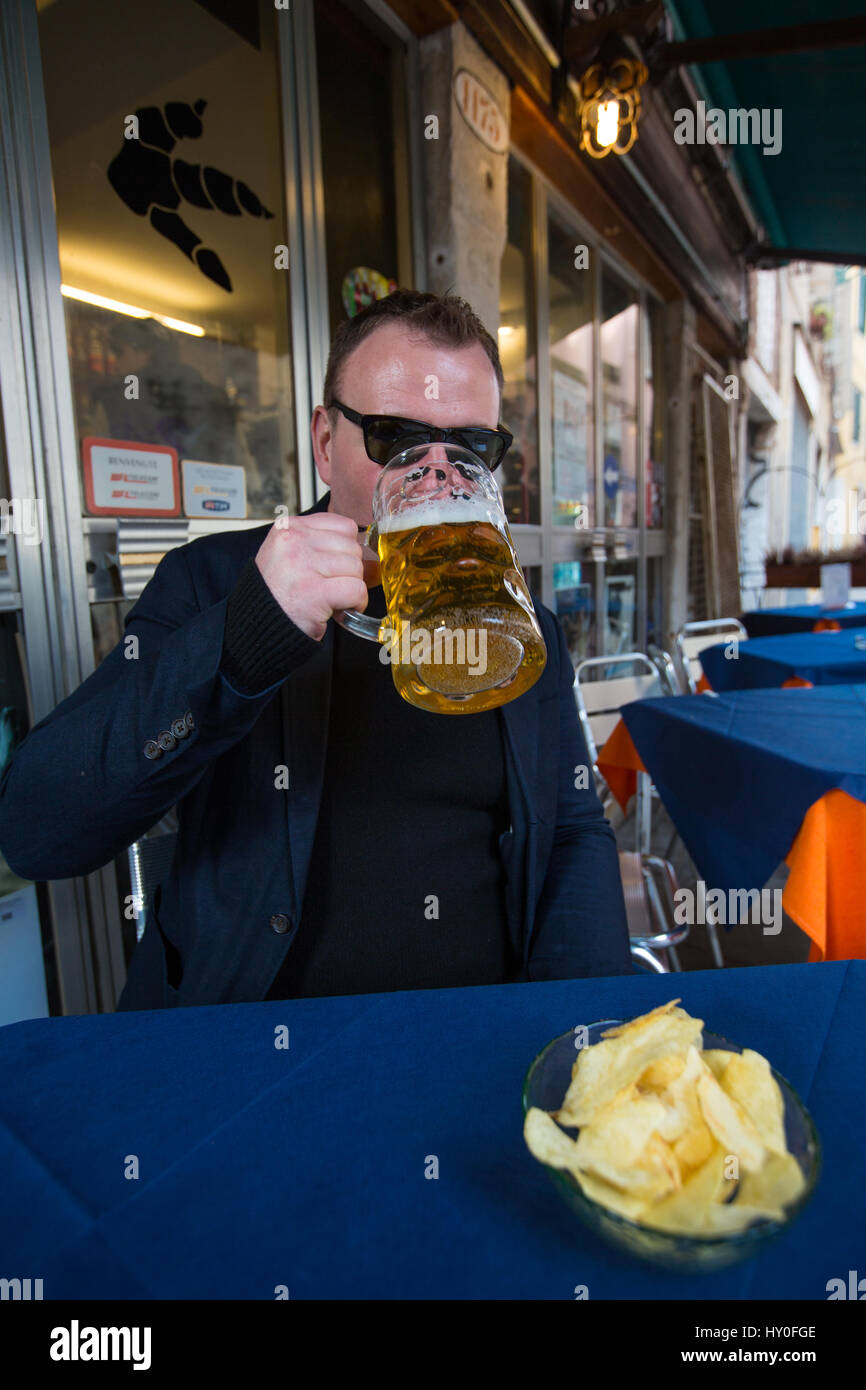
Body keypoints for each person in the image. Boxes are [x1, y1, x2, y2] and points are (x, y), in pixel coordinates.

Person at [0, 290, 631, 1009]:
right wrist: (242, 642)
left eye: (470, 447)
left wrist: (583, 1029)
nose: (438, 475)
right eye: (395, 436)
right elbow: (38, 830)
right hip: (253, 1048)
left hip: (467, 1041)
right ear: (326, 443)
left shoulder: (518, 629)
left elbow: (574, 829)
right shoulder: (215, 583)